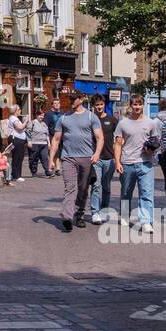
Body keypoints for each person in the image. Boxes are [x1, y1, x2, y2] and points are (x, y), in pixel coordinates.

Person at [51, 91, 103, 231]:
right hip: (68, 158)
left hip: (87, 158)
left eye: (74, 99)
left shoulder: (91, 117)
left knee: (83, 188)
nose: (71, 101)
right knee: (70, 187)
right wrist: (51, 159)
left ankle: (79, 215)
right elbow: (56, 139)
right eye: (70, 99)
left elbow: (99, 137)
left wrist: (97, 153)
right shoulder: (63, 118)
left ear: (81, 99)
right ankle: (67, 217)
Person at [114, 94, 160, 233]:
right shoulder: (123, 123)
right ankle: (125, 215)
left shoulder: (151, 123)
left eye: (139, 104)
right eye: (134, 104)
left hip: (145, 163)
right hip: (127, 162)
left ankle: (146, 222)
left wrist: (152, 150)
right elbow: (118, 144)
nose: (137, 107)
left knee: (146, 193)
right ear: (131, 106)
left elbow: (156, 142)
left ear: (143, 105)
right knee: (126, 192)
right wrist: (117, 162)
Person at [88, 97, 119, 224]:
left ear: (104, 104)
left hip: (109, 158)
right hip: (96, 158)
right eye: (97, 105)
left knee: (106, 187)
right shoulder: (90, 120)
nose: (99, 107)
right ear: (93, 106)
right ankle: (95, 213)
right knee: (96, 185)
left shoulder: (112, 119)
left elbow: (119, 138)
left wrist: (118, 158)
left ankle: (104, 211)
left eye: (101, 104)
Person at [26, 106, 52, 178]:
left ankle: (47, 171)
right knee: (33, 158)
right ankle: (33, 171)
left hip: (44, 144)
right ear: (36, 115)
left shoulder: (44, 124)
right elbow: (28, 133)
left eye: (43, 115)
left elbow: (47, 134)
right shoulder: (32, 123)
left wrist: (49, 143)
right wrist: (29, 141)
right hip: (34, 143)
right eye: (40, 115)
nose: (42, 117)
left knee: (44, 158)